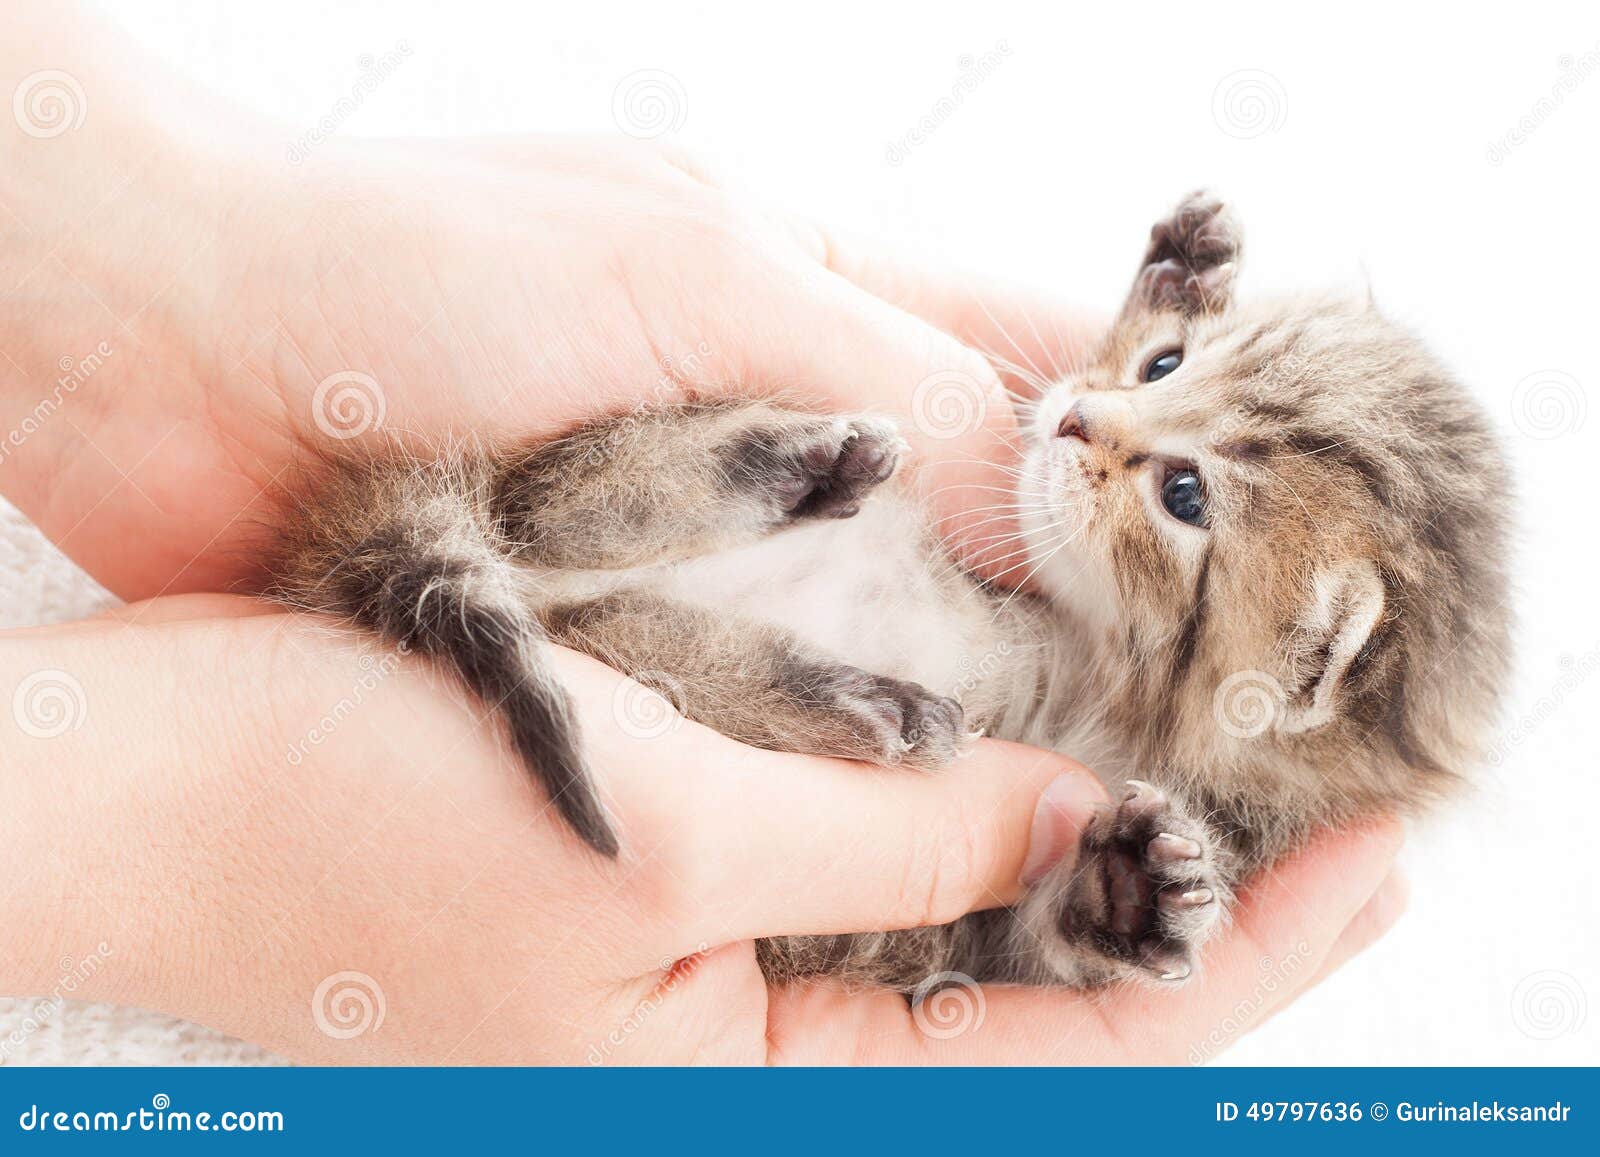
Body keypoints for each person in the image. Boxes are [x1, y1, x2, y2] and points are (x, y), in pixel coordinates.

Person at [0, 2, 1403, 1063]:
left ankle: (698, 584)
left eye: (1183, 488)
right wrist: (205, 819)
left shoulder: (1219, 754)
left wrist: (1094, 914)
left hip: (706, 675)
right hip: (621, 574)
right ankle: (684, 535)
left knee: (881, 856)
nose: (1094, 423)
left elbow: (962, 941)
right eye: (1161, 376)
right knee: (545, 548)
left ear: (1302, 675)